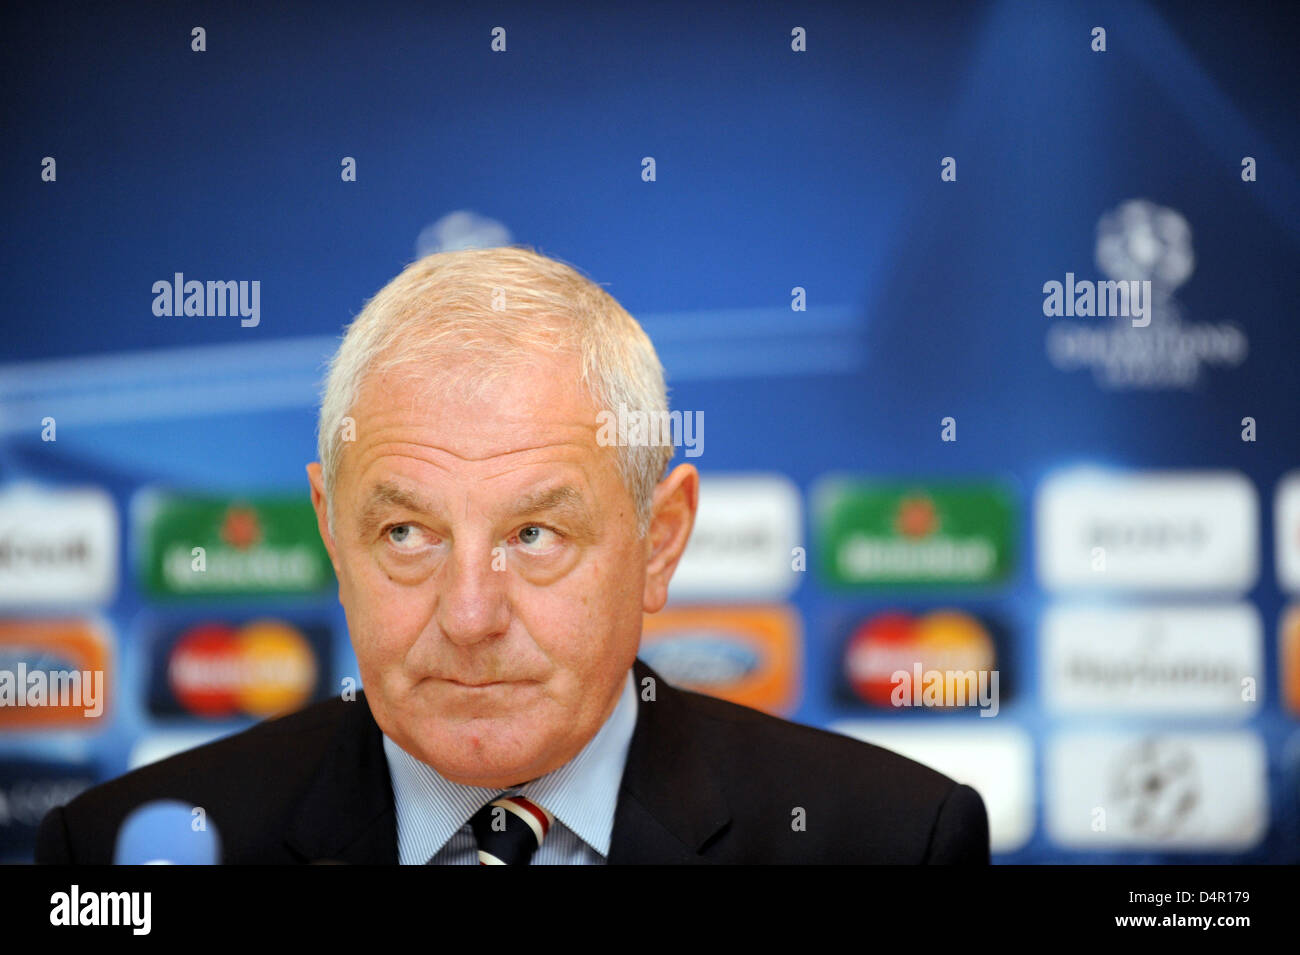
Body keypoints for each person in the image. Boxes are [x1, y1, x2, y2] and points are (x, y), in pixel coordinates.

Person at [37, 246, 989, 864]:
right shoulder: (118, 854)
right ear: (331, 530)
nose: (469, 617)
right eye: (406, 533)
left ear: (659, 541)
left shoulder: (893, 842)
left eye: (534, 535)